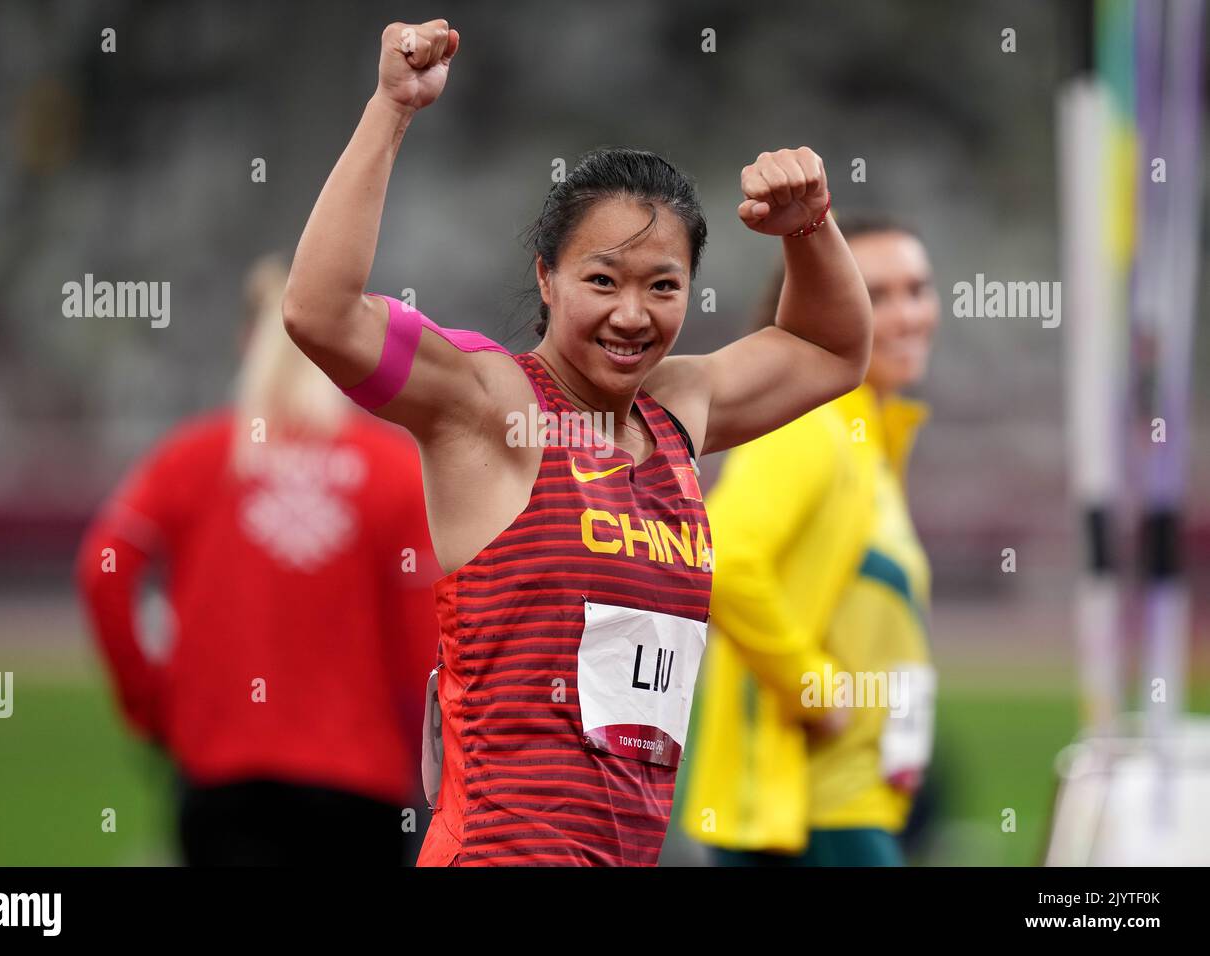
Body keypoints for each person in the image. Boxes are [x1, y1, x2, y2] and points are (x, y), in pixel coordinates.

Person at [282, 18, 872, 866]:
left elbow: (831, 352)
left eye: (663, 287)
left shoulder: (676, 413)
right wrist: (392, 107)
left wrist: (811, 227)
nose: (633, 315)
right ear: (546, 279)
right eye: (602, 281)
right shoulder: (489, 404)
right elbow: (320, 313)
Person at [76, 255, 439, 865]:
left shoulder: (192, 459)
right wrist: (428, 758)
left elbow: (102, 569)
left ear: (246, 341)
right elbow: (422, 640)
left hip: (221, 780)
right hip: (359, 787)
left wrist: (154, 706)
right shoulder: (395, 470)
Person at [681, 216, 939, 866]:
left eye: (918, 289)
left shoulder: (869, 437)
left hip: (851, 805)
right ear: (829, 302)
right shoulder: (812, 423)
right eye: (877, 295)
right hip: (805, 814)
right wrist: (816, 691)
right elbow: (726, 557)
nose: (907, 315)